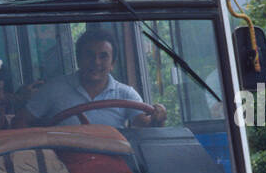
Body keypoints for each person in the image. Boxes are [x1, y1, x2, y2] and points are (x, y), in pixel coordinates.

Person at [16, 28, 166, 129]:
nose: (96, 62)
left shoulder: (126, 95)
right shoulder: (53, 89)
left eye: (103, 56)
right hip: (63, 170)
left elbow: (144, 125)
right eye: (89, 55)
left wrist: (158, 115)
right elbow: (21, 122)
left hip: (113, 169)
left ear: (112, 63)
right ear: (79, 59)